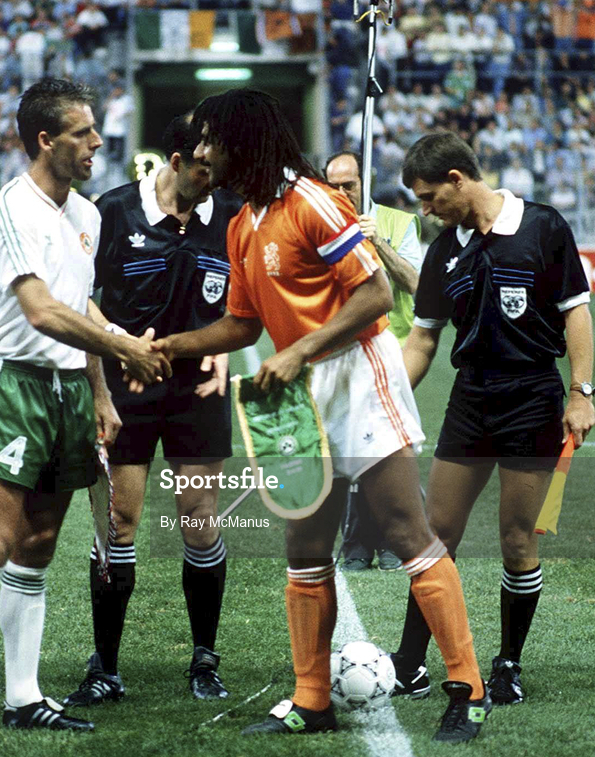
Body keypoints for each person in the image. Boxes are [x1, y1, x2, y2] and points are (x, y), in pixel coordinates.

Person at [152, 90, 490, 743]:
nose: (198, 152)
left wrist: (301, 348)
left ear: (241, 141)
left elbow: (373, 295)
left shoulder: (311, 201)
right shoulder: (242, 220)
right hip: (299, 390)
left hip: (359, 374)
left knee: (404, 531)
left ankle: (468, 689)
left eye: (208, 139)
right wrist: (172, 345)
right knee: (304, 549)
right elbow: (243, 321)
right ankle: (313, 699)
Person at [0, 78, 170, 747]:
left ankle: (23, 695)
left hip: (70, 388)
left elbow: (79, 303)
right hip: (13, 382)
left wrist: (101, 389)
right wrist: (124, 344)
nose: (98, 142)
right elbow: (41, 310)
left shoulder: (89, 216)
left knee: (38, 548)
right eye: (83, 133)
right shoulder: (10, 208)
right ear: (46, 139)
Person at [394, 131, 595, 707]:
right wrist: (391, 394)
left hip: (532, 397)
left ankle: (508, 662)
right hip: (470, 400)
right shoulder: (442, 251)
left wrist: (580, 392)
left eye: (431, 197)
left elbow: (575, 310)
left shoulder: (542, 227)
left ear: (459, 179)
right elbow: (423, 338)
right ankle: (409, 661)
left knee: (515, 540)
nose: (425, 210)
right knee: (437, 537)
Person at [62, 114, 244, 709]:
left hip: (198, 392)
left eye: (217, 166)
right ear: (174, 160)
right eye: (201, 166)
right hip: (125, 388)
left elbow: (247, 303)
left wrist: (222, 352)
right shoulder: (113, 211)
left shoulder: (232, 215)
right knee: (119, 524)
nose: (211, 177)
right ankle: (106, 665)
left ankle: (205, 660)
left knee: (200, 520)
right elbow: (76, 295)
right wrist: (118, 341)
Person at [324, 150, 423, 574]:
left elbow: (418, 283)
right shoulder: (320, 222)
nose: (342, 192)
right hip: (342, 350)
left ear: (365, 182)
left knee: (382, 444)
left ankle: (367, 545)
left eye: (350, 184)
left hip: (394, 349)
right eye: (335, 185)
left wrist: (376, 242)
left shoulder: (397, 223)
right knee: (360, 442)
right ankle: (375, 544)